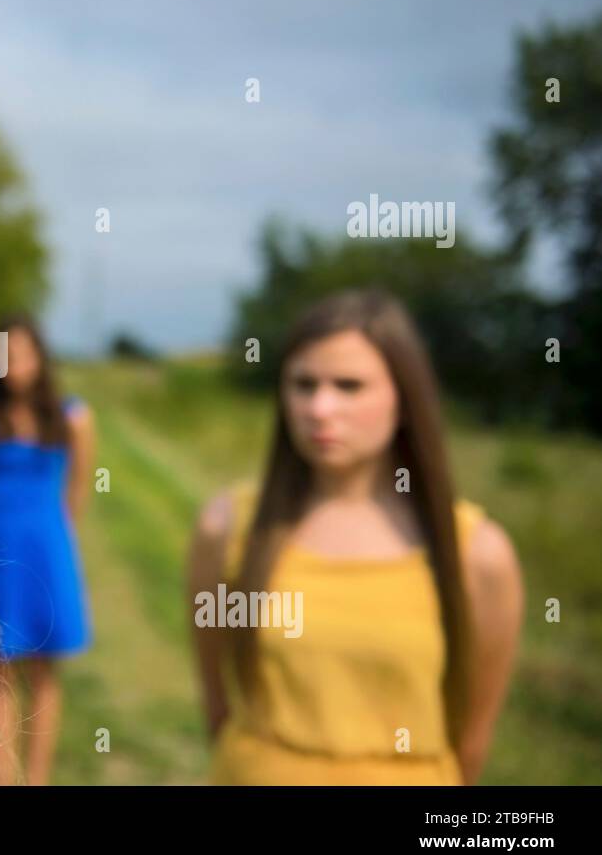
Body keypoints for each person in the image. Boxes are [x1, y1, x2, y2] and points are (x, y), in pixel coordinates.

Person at [187, 288, 524, 785]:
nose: (320, 408)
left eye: (349, 386)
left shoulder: (477, 553)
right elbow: (218, 704)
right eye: (303, 384)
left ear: (405, 399)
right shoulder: (229, 527)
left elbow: (470, 743)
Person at [0, 313, 95, 785]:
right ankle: (3, 777)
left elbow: (77, 490)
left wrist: (53, 533)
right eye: (6, 355)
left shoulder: (72, 417)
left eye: (24, 354)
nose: (15, 365)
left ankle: (36, 779)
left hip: (47, 549)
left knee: (43, 672)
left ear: (41, 357)